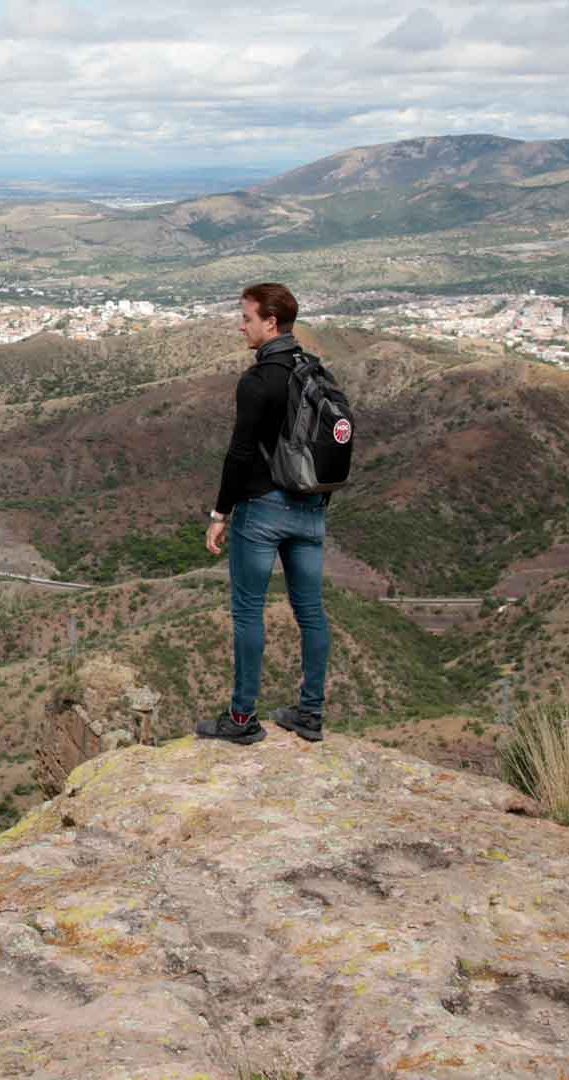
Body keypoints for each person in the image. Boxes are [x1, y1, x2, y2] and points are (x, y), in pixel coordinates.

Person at [196, 283, 330, 746]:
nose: (241, 324)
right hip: (311, 507)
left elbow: (239, 453)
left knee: (249, 612)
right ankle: (310, 713)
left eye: (247, 318)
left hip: (263, 509)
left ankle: (241, 718)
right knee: (311, 613)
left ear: (271, 322)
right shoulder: (313, 371)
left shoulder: (258, 380)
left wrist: (220, 513)